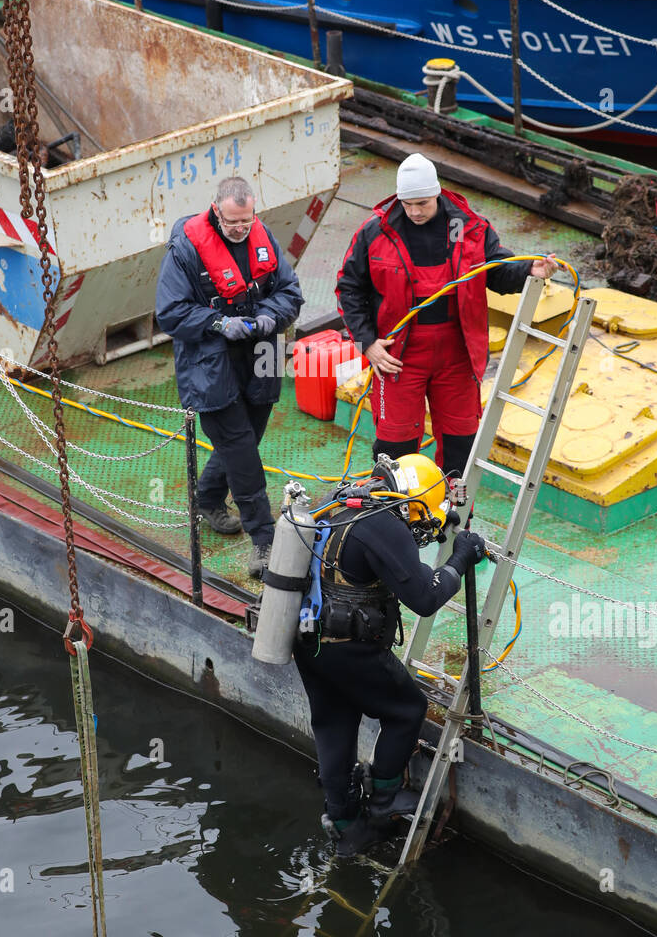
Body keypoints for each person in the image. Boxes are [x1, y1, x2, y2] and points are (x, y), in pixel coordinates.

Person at [295, 452, 487, 857]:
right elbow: (426, 596)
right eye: (423, 519)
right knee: (406, 709)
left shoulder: (348, 500)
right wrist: (462, 556)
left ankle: (343, 821)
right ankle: (384, 802)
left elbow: (395, 552)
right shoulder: (385, 525)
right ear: (411, 502)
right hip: (352, 650)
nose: (421, 530)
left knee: (334, 724)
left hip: (309, 640)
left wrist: (443, 525)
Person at [336, 153, 559, 479]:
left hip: (457, 353)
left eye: (422, 203)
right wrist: (367, 343)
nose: (414, 212)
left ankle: (457, 523)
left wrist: (529, 270)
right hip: (398, 356)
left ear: (437, 193)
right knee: (395, 449)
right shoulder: (374, 233)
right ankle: (396, 523)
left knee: (461, 444)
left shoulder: (471, 229)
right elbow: (348, 289)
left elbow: (497, 272)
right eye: (407, 204)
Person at [155, 177, 304, 578]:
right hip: (210, 360)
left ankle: (206, 499)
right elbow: (169, 312)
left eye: (246, 221)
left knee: (248, 438)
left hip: (262, 352)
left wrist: (271, 315)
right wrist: (218, 322)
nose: (240, 229)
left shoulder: (263, 237)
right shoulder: (186, 249)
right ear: (215, 210)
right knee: (241, 450)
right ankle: (264, 540)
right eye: (233, 222)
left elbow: (290, 290)